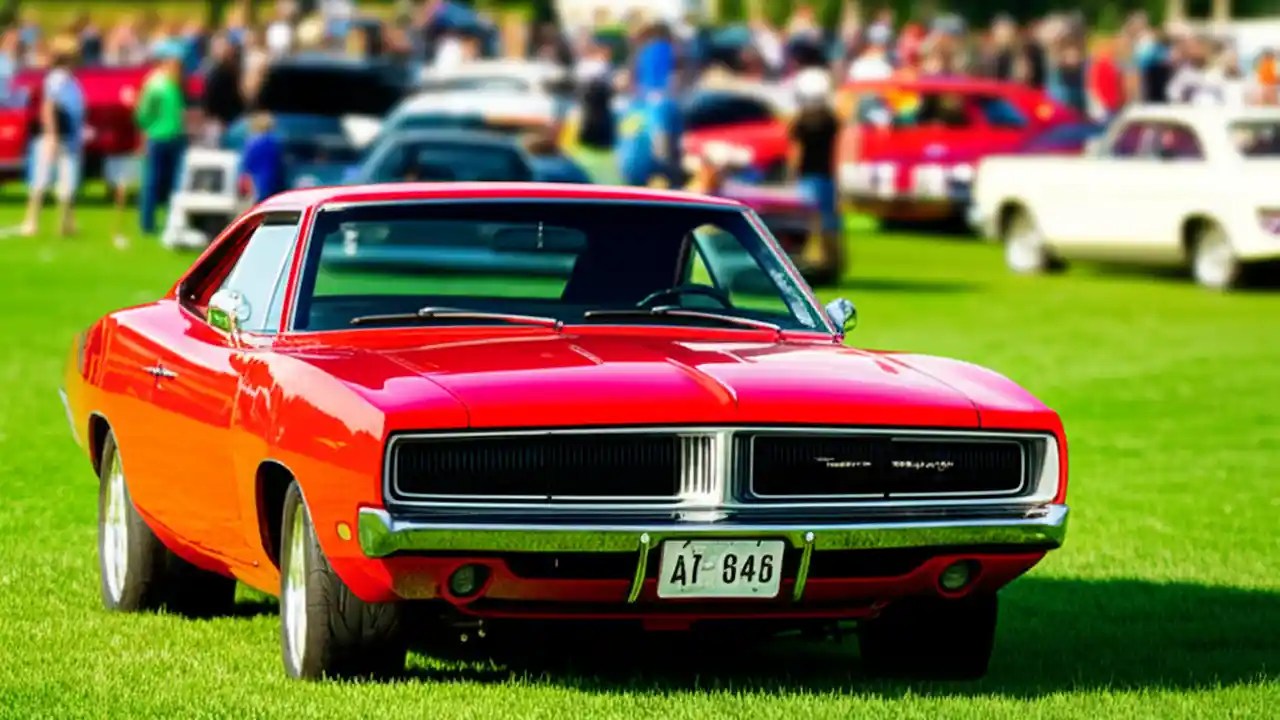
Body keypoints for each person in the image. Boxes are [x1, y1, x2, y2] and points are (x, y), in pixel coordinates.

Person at [22, 35, 86, 237]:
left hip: (69, 135)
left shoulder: (71, 80)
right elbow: (49, 107)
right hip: (56, 135)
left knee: (68, 181)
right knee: (42, 179)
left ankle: (65, 223)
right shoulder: (57, 78)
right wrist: (53, 135)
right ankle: (32, 221)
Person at [787, 67, 842, 285]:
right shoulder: (831, 121)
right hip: (825, 177)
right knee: (828, 222)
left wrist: (790, 178)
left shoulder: (800, 123)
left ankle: (809, 263)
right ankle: (831, 263)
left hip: (808, 177)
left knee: (808, 222)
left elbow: (795, 154)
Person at [135, 41, 187, 236]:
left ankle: (171, 221)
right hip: (158, 137)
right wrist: (148, 129)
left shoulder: (175, 83)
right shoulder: (155, 84)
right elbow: (144, 113)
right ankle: (147, 223)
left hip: (175, 136)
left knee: (174, 181)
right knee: (152, 181)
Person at [200, 34, 244, 146]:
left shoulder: (232, 69)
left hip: (229, 119)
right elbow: (208, 96)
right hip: (217, 120)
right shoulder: (210, 69)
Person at [240, 112, 285, 201]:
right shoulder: (275, 141)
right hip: (272, 180)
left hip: (255, 182)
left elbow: (246, 164)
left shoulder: (251, 142)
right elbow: (279, 163)